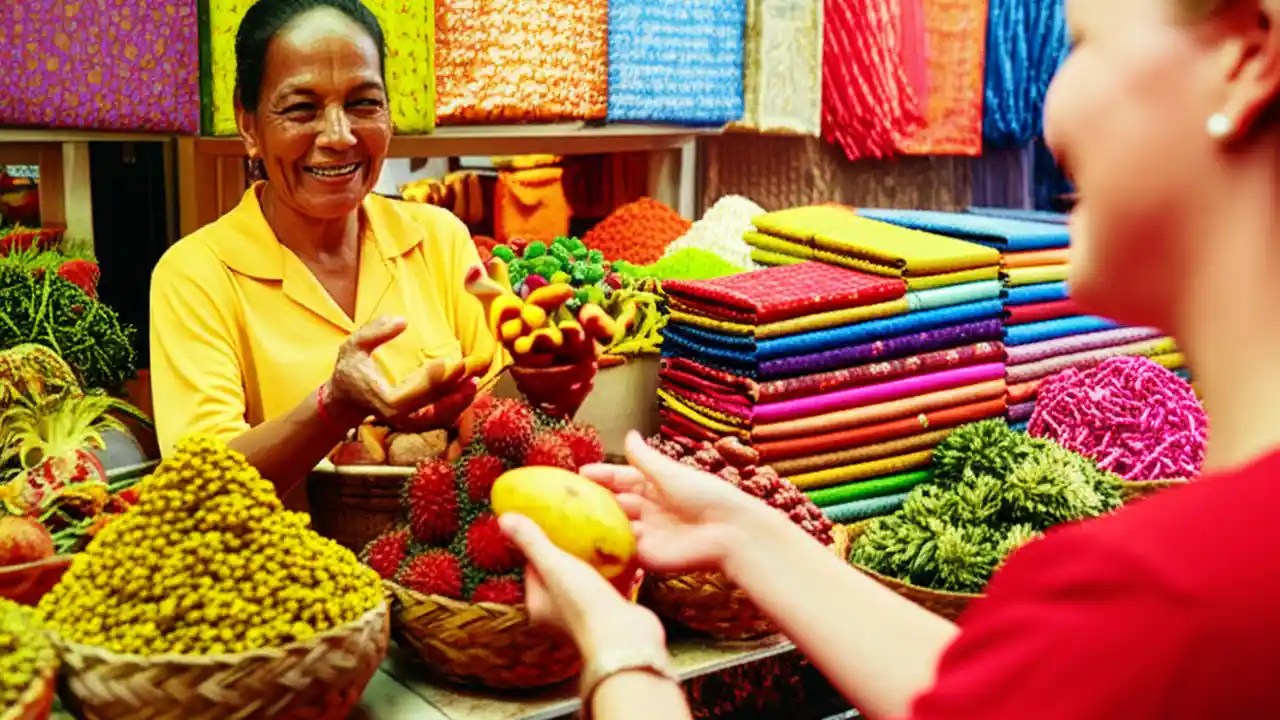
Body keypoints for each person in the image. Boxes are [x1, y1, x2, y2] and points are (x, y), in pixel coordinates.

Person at [499, 0, 1280, 717]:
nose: (1049, 119)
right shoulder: (1214, 577)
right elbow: (1006, 696)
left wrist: (617, 648)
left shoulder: (1173, 588)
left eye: (1082, 45)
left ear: (1244, 60)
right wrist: (748, 536)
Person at [149, 0, 503, 495]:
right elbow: (198, 485)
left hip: (433, 560)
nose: (339, 137)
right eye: (300, 109)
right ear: (248, 123)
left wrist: (548, 381)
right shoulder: (196, 275)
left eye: (363, 103)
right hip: (283, 569)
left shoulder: (439, 238)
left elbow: (501, 409)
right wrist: (332, 406)